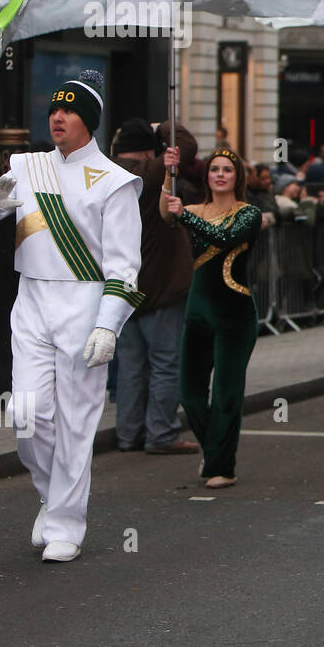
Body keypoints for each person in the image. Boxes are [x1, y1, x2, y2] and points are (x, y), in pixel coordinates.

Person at [0, 71, 143, 562]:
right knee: (26, 414)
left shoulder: (117, 182)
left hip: (84, 303)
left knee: (77, 423)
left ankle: (65, 522)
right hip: (32, 301)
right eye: (55, 108)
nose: (58, 116)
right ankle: (51, 495)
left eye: (71, 109)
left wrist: (108, 323)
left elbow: (125, 264)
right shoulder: (27, 165)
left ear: (90, 120)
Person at [161, 146, 262, 490]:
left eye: (227, 170)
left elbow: (224, 237)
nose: (220, 174)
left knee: (226, 394)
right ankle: (215, 451)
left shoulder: (249, 213)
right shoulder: (192, 207)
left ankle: (223, 466)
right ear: (207, 176)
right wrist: (166, 172)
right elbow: (164, 214)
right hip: (197, 310)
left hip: (235, 313)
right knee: (189, 393)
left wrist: (185, 216)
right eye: (215, 169)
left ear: (237, 177)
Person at [111, 118, 200, 456]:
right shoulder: (149, 171)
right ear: (148, 149)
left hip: (122, 287)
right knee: (164, 362)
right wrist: (164, 125)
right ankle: (161, 433)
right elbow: (186, 147)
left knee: (131, 365)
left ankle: (128, 434)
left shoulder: (105, 174)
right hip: (160, 284)